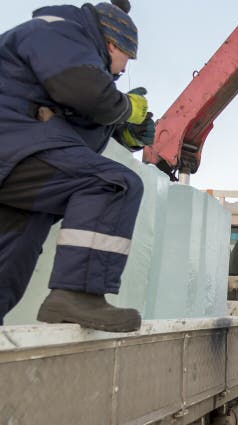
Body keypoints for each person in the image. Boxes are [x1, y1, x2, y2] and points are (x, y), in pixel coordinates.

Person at [0, 0, 156, 332]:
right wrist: (125, 108)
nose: (121, 72)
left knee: (12, 262)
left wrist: (120, 130)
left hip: (19, 156)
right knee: (113, 183)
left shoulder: (64, 47)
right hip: (12, 149)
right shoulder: (59, 30)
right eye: (125, 61)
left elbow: (69, 115)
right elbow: (87, 94)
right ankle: (78, 294)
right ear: (113, 42)